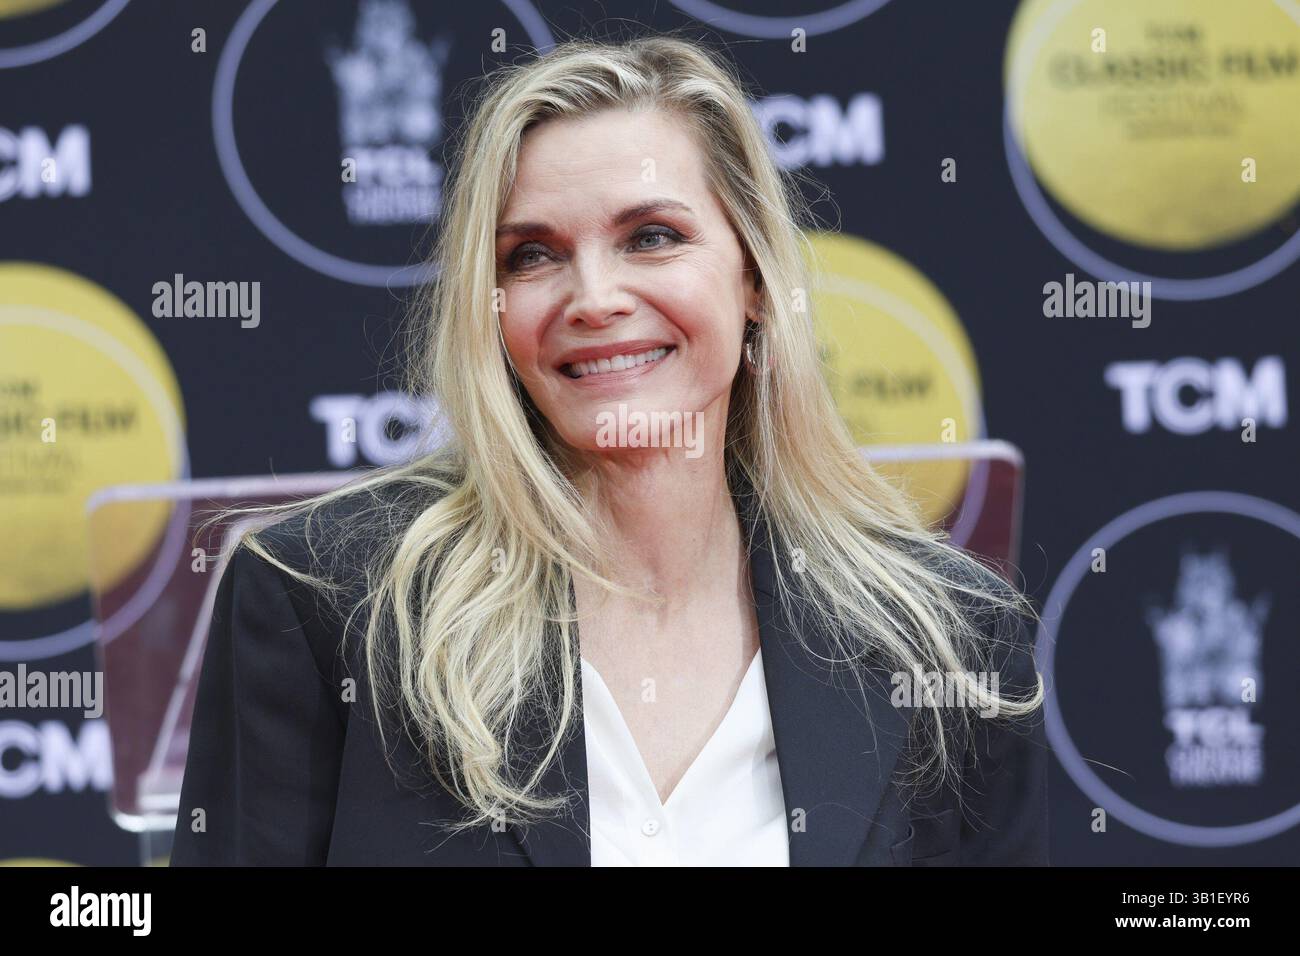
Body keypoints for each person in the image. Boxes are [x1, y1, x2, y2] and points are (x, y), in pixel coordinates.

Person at [171, 34, 1048, 867]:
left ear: (752, 277)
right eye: (532, 255)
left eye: (652, 237)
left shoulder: (942, 640)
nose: (593, 297)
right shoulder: (329, 603)